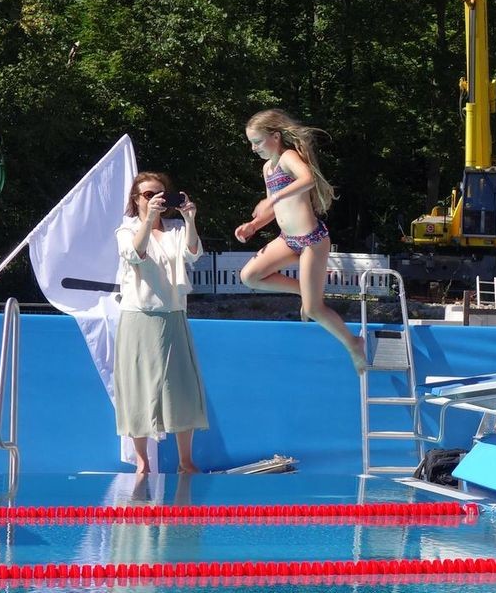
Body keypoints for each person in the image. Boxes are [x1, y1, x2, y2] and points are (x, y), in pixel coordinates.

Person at [235, 109, 366, 370]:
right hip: (288, 239)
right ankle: (301, 290)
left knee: (315, 309)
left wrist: (273, 197)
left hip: (312, 241)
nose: (253, 148)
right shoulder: (268, 168)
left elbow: (306, 179)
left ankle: (353, 343)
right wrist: (253, 225)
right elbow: (275, 209)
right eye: (251, 143)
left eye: (258, 142)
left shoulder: (288, 157)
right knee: (250, 276)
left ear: (275, 136)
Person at [114, 172, 208, 475]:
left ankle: (186, 461)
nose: (155, 199)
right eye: (147, 195)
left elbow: (193, 254)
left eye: (160, 194)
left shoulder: (176, 229)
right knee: (138, 386)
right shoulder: (126, 230)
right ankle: (142, 460)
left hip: (173, 314)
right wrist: (148, 219)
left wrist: (190, 219)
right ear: (135, 199)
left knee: (181, 387)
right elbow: (135, 254)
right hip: (138, 316)